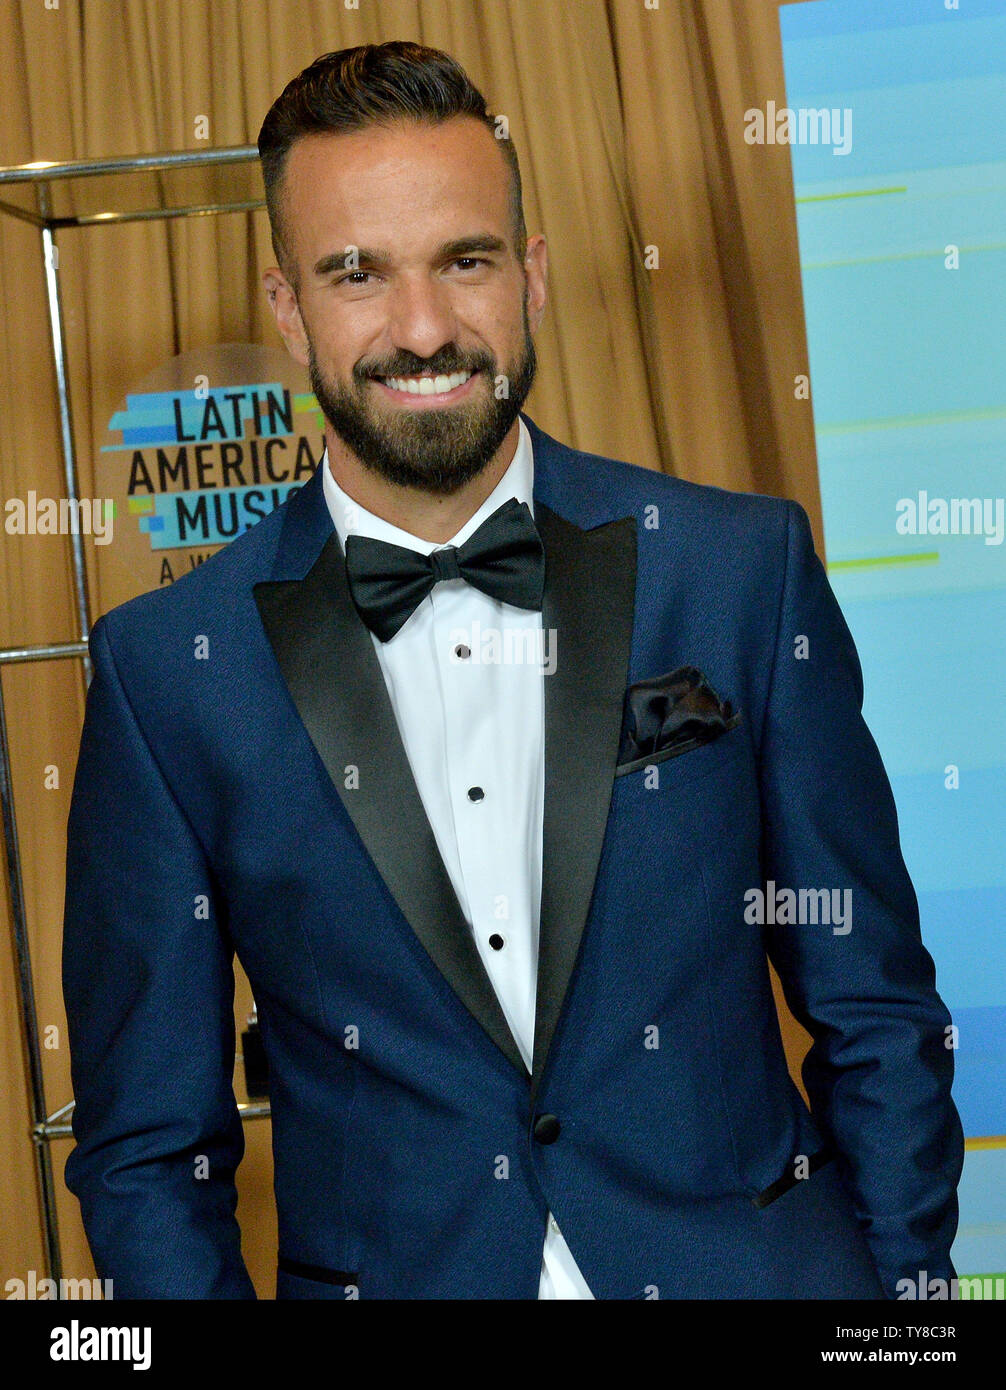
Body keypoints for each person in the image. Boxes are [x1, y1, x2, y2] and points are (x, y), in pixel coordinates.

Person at [62, 40, 963, 1300]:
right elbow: (149, 1148)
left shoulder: (735, 569)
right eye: (357, 273)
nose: (423, 328)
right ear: (286, 307)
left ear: (531, 275)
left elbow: (873, 1004)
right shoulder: (169, 674)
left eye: (465, 259)